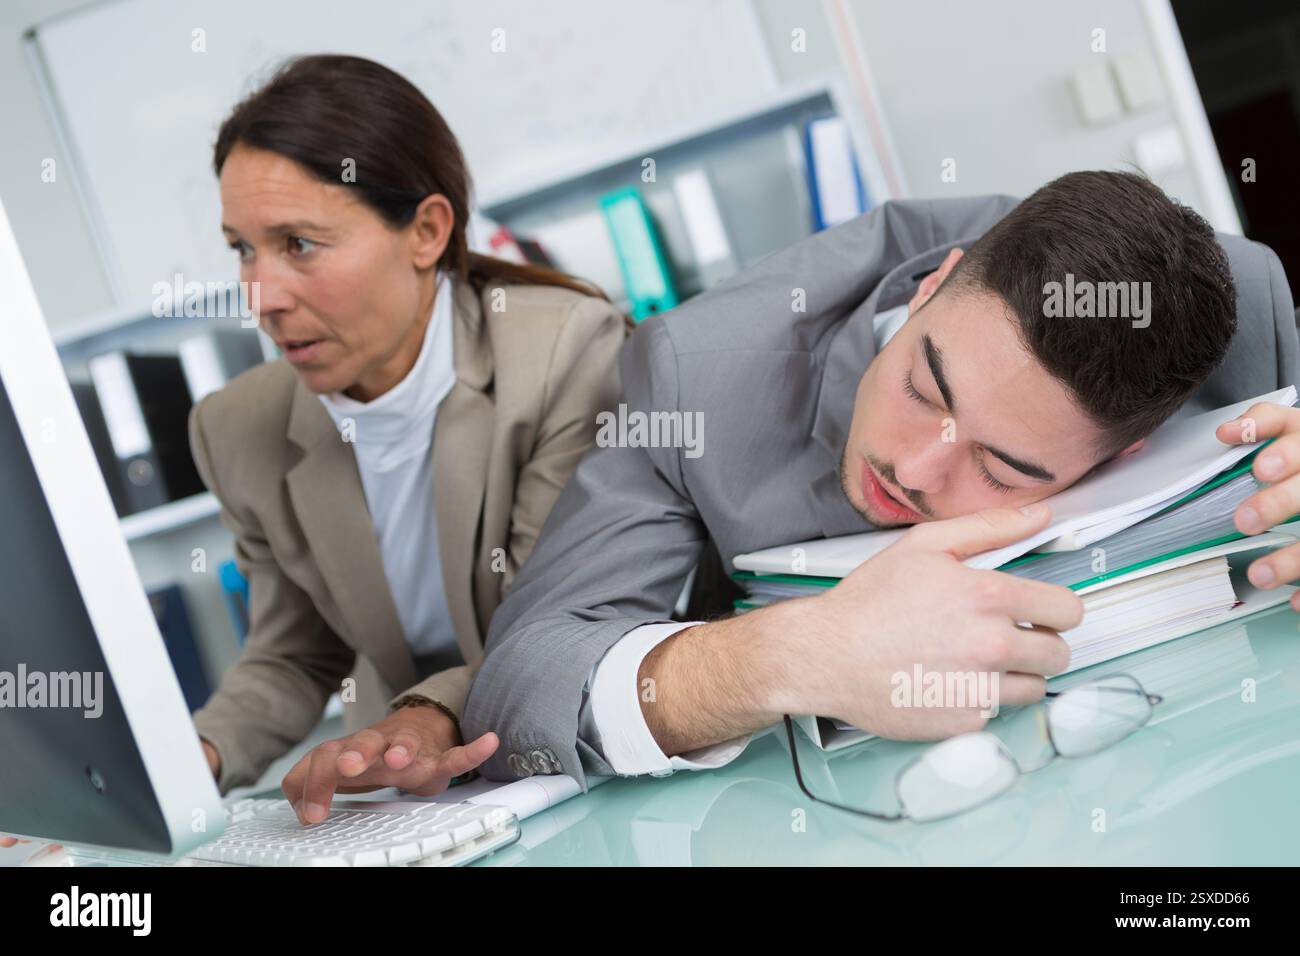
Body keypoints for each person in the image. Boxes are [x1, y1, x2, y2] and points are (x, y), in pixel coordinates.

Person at [459, 171, 1300, 786]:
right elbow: (519, 682)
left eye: (1001, 468)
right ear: (933, 285)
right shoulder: (698, 377)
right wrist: (783, 656)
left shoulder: (1241, 307)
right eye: (922, 389)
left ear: (1128, 453)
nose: (915, 468)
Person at [188, 54, 625, 820]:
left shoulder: (562, 353)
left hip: (590, 754)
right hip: (431, 794)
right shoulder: (235, 428)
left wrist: (419, 719)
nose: (261, 296)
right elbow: (293, 653)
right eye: (243, 248)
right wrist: (195, 758)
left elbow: (555, 622)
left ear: (425, 231)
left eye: (299, 244)